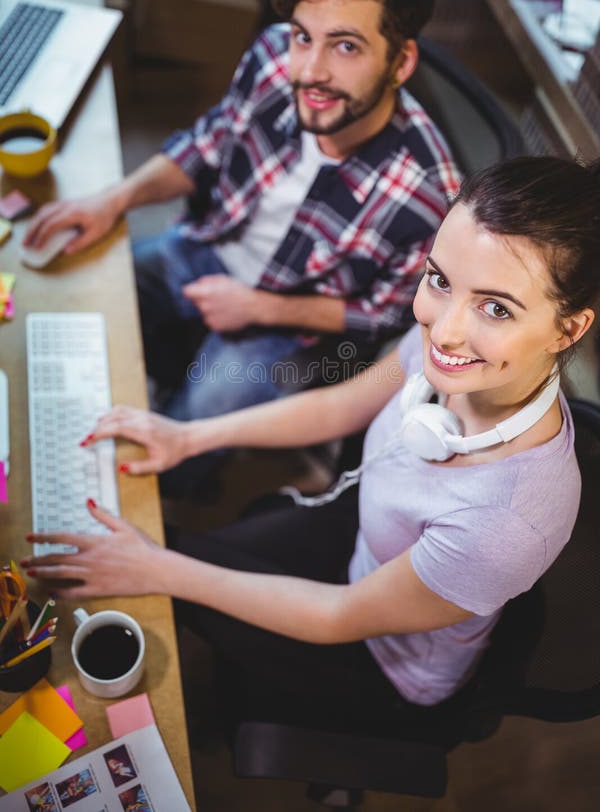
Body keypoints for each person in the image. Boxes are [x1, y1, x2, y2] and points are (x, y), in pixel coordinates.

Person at [22, 156, 598, 733]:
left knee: (157, 572)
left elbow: (338, 616)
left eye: (495, 308)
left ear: (568, 329)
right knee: (160, 558)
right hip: (361, 536)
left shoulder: (506, 521)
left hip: (379, 662)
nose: (444, 330)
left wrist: (160, 569)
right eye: (440, 279)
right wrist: (186, 436)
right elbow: (339, 405)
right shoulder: (451, 351)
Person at [23, 0, 460, 496]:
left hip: (292, 323)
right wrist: (114, 201)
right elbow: (208, 144)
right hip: (207, 246)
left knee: (195, 425)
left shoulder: (431, 192)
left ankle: (173, 495)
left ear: (401, 62)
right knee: (90, 301)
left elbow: (383, 314)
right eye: (304, 36)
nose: (310, 71)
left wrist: (258, 307)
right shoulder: (274, 59)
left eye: (346, 46)